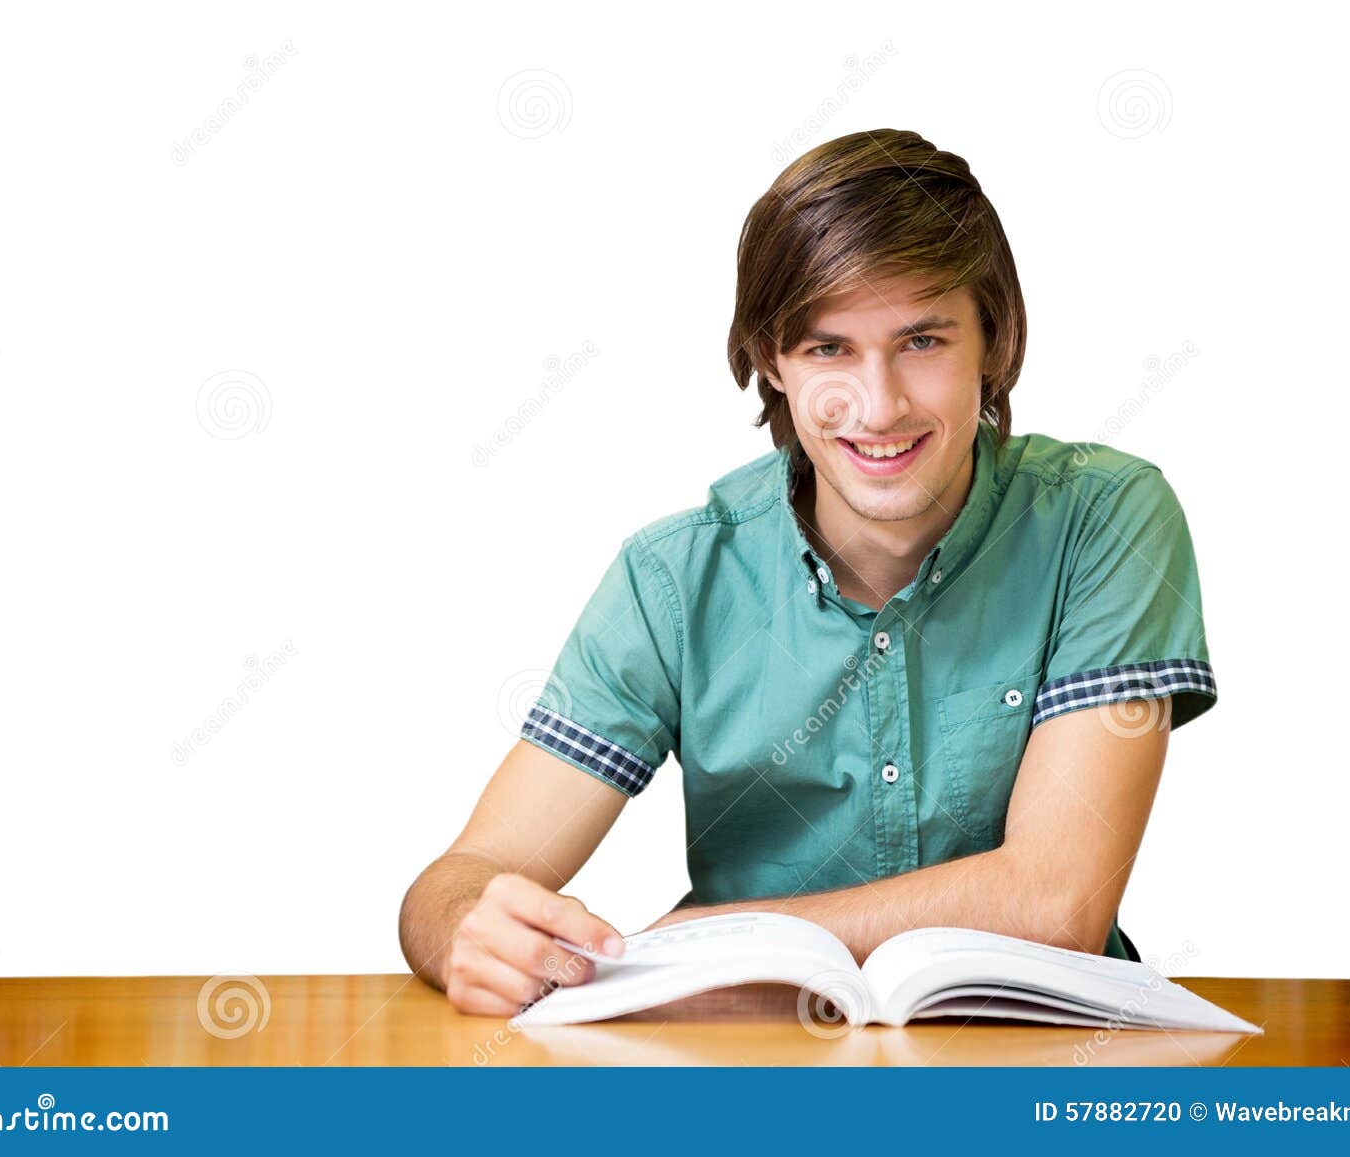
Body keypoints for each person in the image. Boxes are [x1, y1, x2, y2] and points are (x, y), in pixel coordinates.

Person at [399, 128, 1216, 1016]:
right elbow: (459, 881)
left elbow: (1056, 902)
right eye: (830, 349)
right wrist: (468, 933)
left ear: (995, 339)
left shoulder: (1105, 519)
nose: (880, 405)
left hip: (1041, 1064)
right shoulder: (673, 580)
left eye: (922, 340)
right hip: (753, 1065)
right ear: (772, 361)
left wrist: (700, 938)